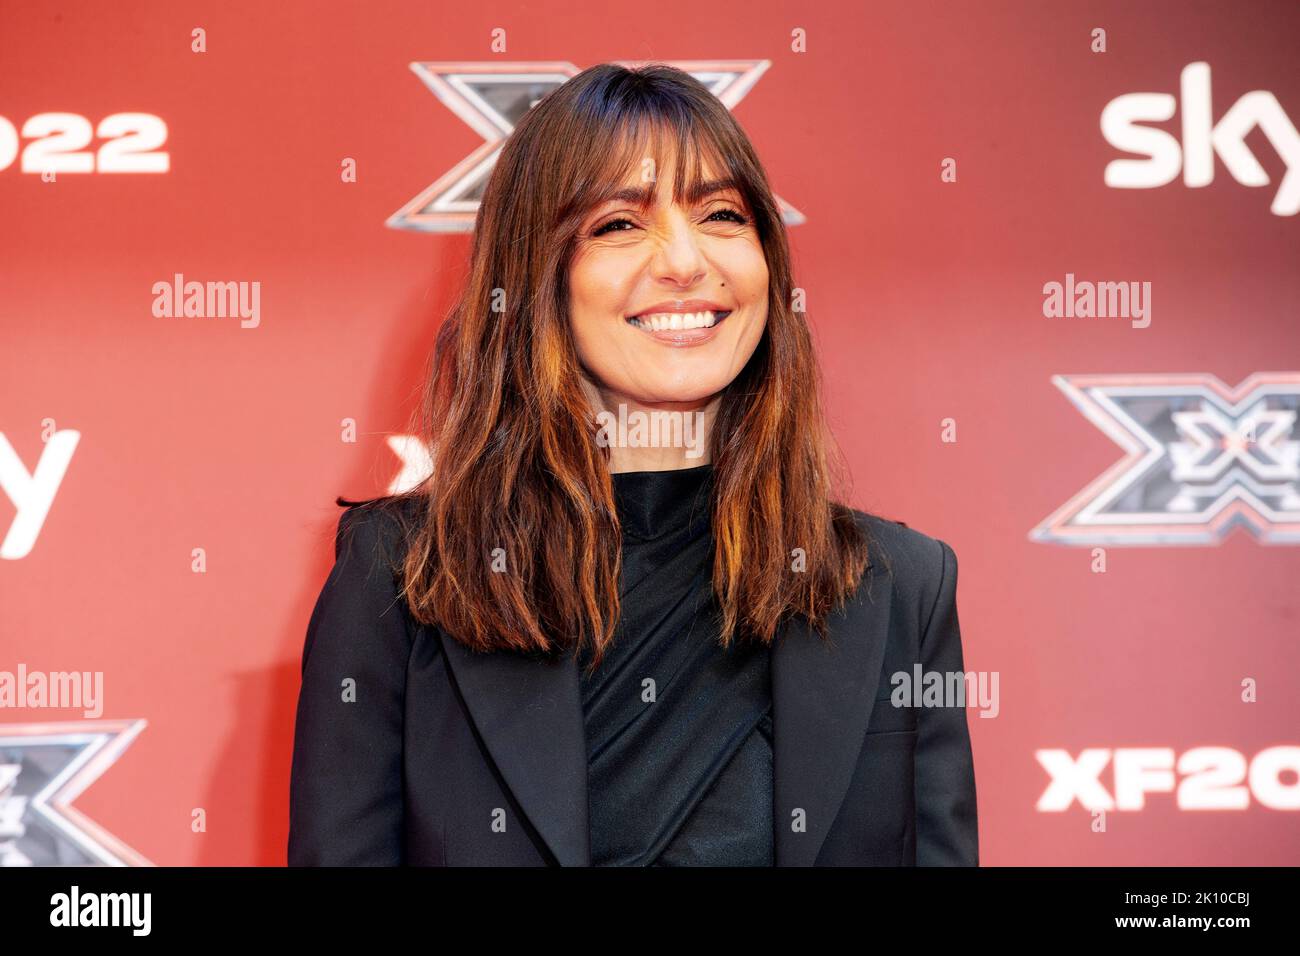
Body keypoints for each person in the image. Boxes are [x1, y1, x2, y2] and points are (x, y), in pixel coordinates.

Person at [287, 62, 977, 866]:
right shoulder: (405, 579)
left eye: (722, 213)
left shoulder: (900, 588)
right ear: (537, 278)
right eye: (618, 224)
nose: (684, 261)